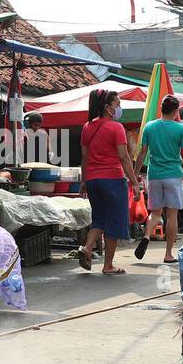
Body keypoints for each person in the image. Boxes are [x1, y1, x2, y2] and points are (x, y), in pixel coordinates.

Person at [77, 89, 140, 275]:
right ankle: (108, 265)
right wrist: (135, 182)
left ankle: (87, 248)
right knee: (113, 221)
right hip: (113, 179)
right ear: (107, 107)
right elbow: (124, 157)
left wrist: (84, 180)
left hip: (93, 180)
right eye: (117, 104)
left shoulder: (87, 127)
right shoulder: (116, 127)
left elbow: (84, 156)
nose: (119, 107)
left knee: (100, 218)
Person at [135, 95, 183, 263]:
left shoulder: (150, 127)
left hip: (155, 176)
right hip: (173, 175)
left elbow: (143, 152)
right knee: (172, 215)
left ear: (161, 109)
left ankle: (146, 236)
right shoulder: (181, 129)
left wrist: (135, 174)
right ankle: (168, 254)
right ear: (175, 111)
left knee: (155, 213)